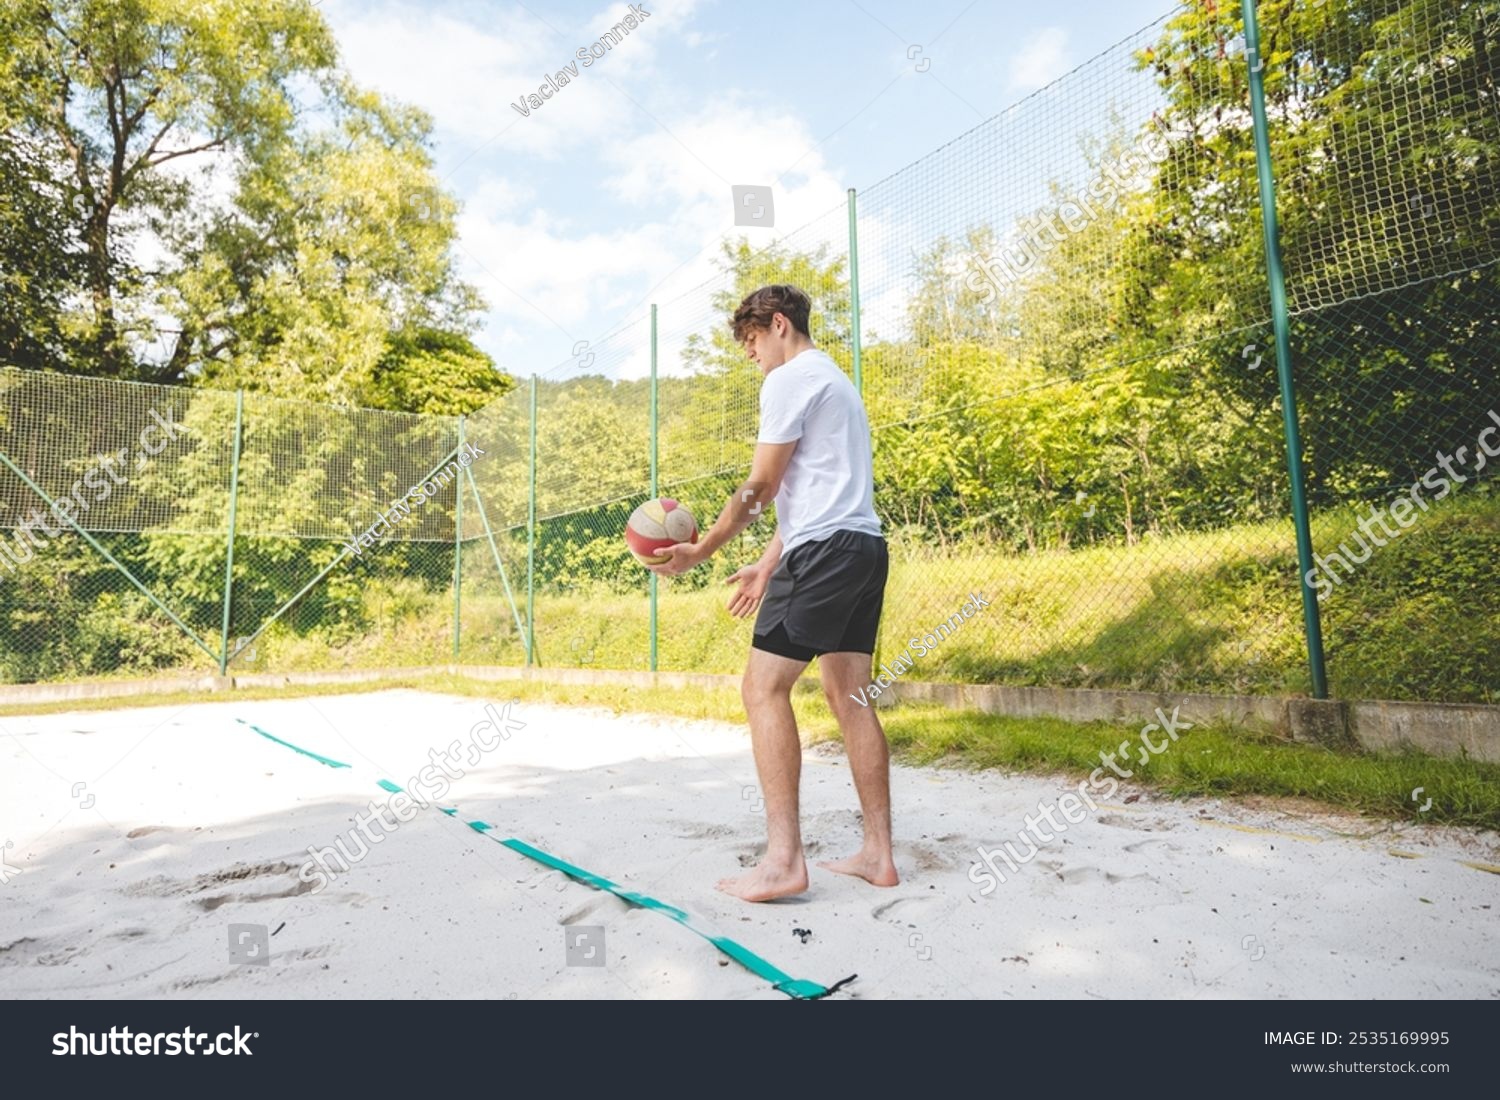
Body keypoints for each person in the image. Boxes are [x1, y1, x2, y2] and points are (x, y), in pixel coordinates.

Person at [648, 283, 897, 901]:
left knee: (762, 688)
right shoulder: (837, 382)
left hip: (823, 555)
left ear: (778, 325)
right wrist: (766, 564)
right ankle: (878, 855)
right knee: (851, 696)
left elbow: (761, 485)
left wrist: (704, 548)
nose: (751, 356)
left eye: (752, 342)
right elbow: (815, 499)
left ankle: (784, 860)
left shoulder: (787, 380)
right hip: (863, 549)